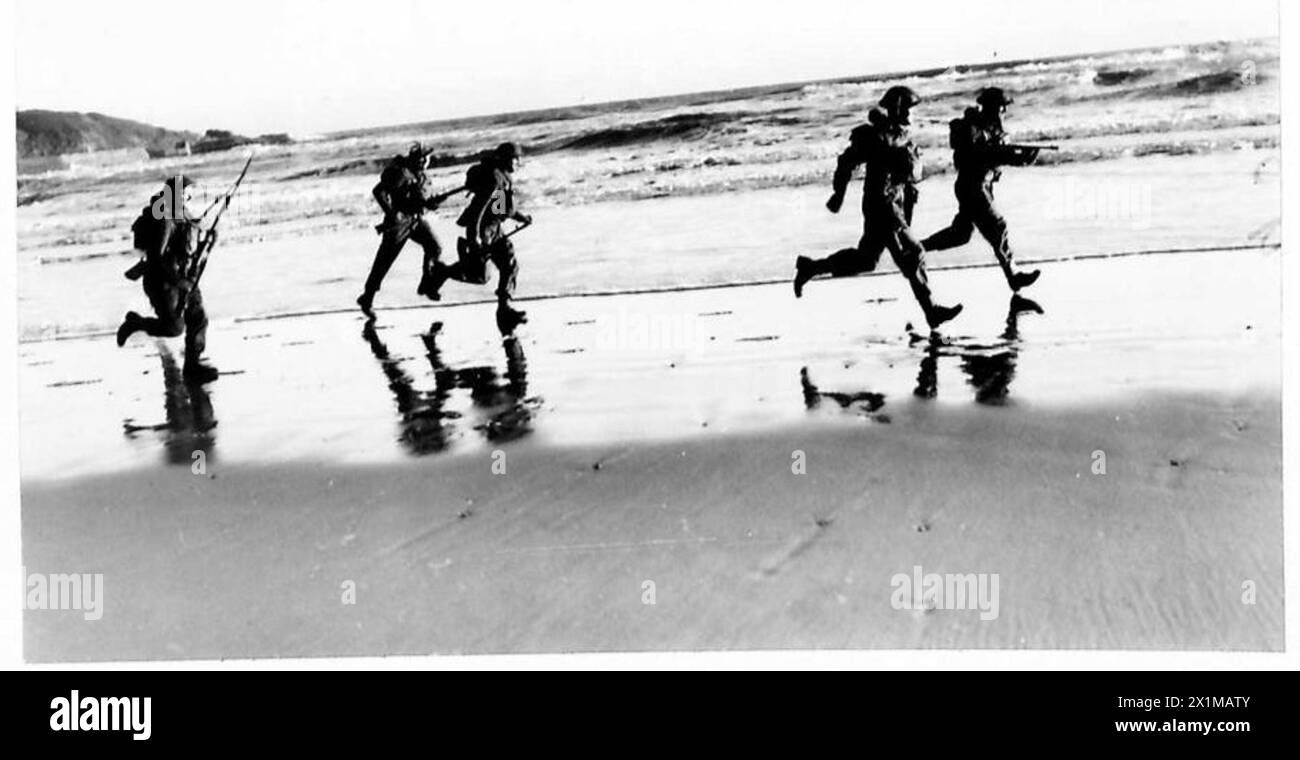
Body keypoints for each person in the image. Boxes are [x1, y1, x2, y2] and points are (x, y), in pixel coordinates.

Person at [793, 86, 962, 330]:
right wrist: (838, 194)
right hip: (882, 206)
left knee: (866, 260)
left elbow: (907, 176)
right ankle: (931, 310)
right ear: (897, 110)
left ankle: (811, 267)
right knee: (913, 254)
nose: (912, 115)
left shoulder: (900, 136)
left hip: (892, 204)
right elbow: (847, 161)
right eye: (907, 109)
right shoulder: (877, 137)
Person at [920, 87, 1042, 291]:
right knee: (998, 226)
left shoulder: (991, 128)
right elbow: (985, 155)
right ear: (992, 107)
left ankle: (915, 248)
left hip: (979, 186)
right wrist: (1016, 157)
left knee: (960, 235)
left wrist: (1021, 158)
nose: (1004, 111)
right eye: (1001, 106)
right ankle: (1013, 275)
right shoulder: (972, 128)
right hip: (973, 187)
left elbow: (999, 154)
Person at [115, 175, 219, 383]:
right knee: (174, 328)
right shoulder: (164, 218)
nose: (189, 197)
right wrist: (179, 282)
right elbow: (156, 257)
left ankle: (192, 366)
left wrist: (211, 236)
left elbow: (195, 231)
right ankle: (136, 323)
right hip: (163, 282)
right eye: (185, 193)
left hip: (184, 276)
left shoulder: (181, 213)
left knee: (198, 318)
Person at [423, 142, 531, 333]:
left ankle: (504, 310)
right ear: (507, 159)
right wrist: (475, 236)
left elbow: (501, 208)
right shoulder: (496, 179)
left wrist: (522, 218)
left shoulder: (503, 178)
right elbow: (481, 208)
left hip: (494, 229)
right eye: (516, 158)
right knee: (481, 276)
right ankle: (442, 272)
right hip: (483, 231)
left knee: (509, 264)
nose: (519, 162)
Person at [356, 142, 449, 313]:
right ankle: (368, 295)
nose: (428, 161)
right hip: (399, 222)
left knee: (434, 248)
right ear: (419, 159)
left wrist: (433, 203)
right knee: (384, 261)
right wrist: (393, 214)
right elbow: (379, 191)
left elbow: (422, 200)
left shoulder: (422, 176)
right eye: (425, 158)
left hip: (416, 219)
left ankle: (426, 284)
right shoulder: (401, 173)